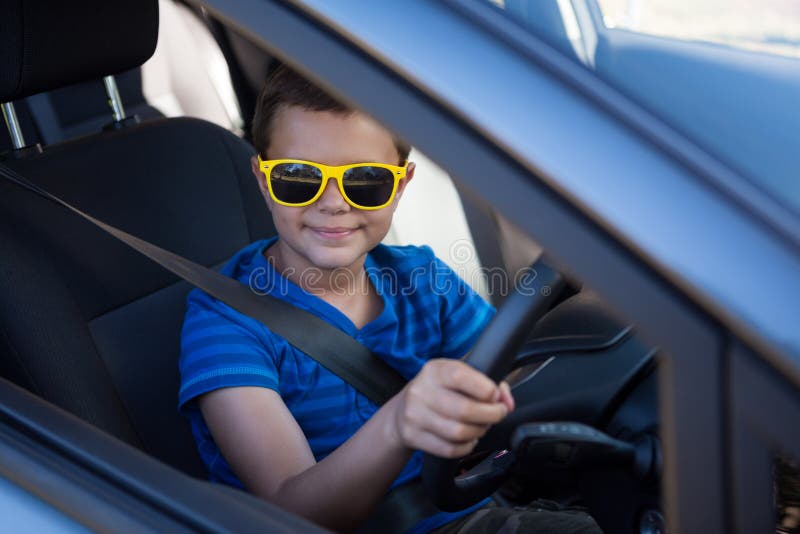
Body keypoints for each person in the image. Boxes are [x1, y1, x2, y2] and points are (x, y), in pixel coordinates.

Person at [178, 65, 601, 533]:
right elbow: (291, 511)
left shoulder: (421, 278)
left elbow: (513, 381)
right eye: (298, 178)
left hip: (470, 506)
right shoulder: (225, 322)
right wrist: (400, 419)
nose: (334, 202)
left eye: (366, 182)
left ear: (400, 185)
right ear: (263, 180)